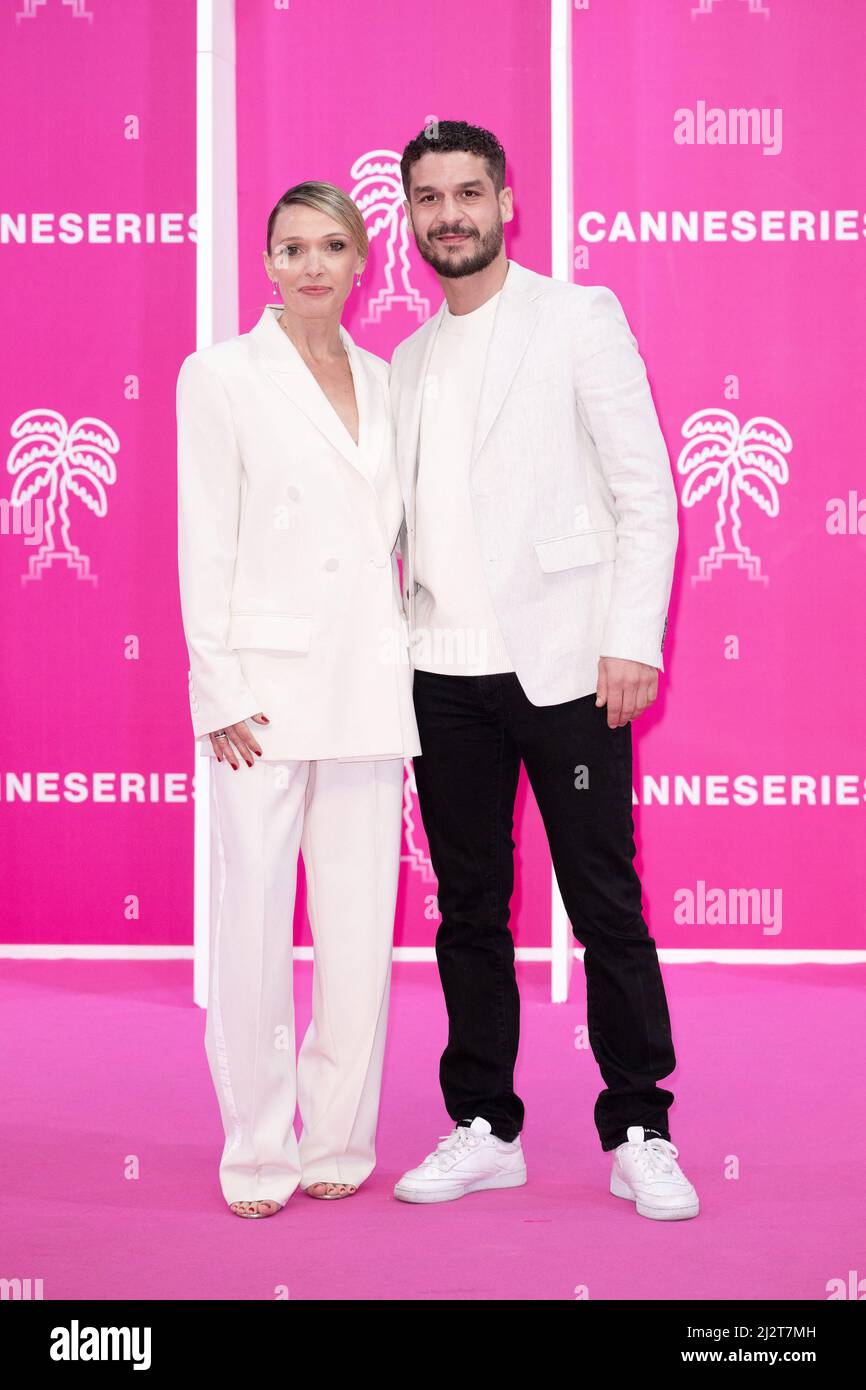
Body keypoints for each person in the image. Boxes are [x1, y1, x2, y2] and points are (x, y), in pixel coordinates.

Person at [388, 121, 699, 1220]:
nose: (450, 215)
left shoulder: (576, 316)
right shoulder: (408, 360)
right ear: (410, 216)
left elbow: (642, 490)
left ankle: (640, 1126)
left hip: (568, 669)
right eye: (428, 199)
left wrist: (632, 636)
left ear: (506, 202)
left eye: (467, 192)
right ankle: (483, 1123)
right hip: (442, 677)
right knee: (467, 908)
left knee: (601, 899)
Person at [176, 181, 420, 1218]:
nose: (311, 265)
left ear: (363, 259)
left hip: (368, 685)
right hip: (261, 697)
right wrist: (216, 683)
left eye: (331, 245)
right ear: (265, 262)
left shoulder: (387, 376)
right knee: (253, 925)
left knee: (361, 928)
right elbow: (204, 538)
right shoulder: (220, 376)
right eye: (290, 247)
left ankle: (338, 1135)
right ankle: (255, 1150)